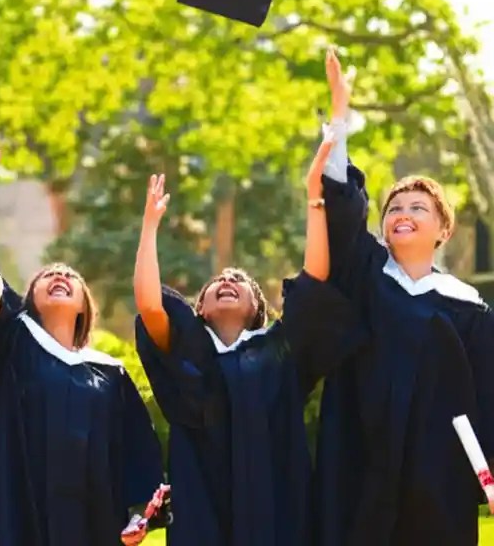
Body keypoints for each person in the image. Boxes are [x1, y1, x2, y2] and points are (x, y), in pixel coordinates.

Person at [132, 136, 361, 546]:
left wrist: (314, 197)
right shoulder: (189, 353)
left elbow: (313, 282)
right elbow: (150, 306)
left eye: (239, 281)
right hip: (203, 512)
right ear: (198, 308)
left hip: (279, 512)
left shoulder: (280, 351)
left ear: (258, 307)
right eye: (217, 281)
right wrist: (149, 227)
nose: (227, 281)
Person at [311, 47, 494, 545]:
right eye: (394, 207)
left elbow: (488, 397)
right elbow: (343, 210)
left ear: (443, 231)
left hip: (438, 470)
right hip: (362, 453)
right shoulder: (368, 273)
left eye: (419, 206)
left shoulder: (469, 309)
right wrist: (341, 118)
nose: (403, 212)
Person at [0, 122, 164, 546]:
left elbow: (135, 459)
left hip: (92, 522)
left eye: (70, 276)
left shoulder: (110, 375)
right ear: (29, 300)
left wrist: (138, 518)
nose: (59, 274)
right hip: (22, 514)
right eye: (48, 274)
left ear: (84, 306)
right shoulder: (14, 341)